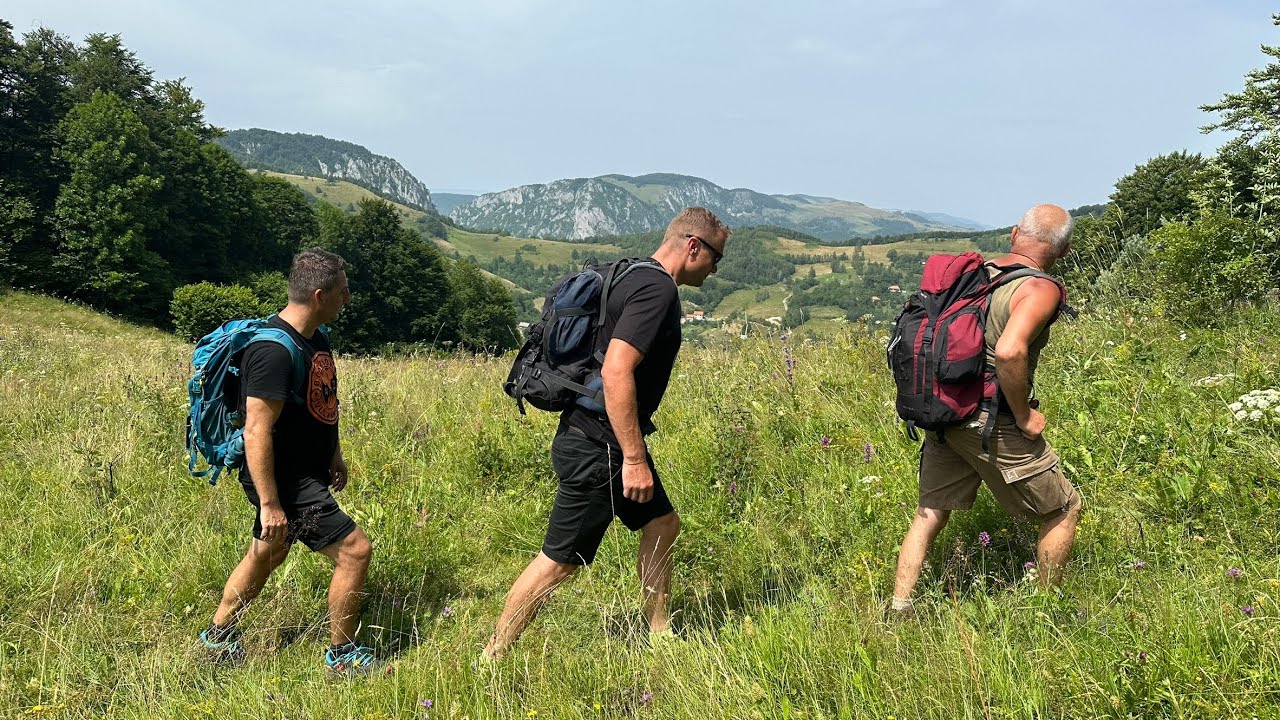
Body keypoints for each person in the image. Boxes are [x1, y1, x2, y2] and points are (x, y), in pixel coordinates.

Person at [482, 207, 732, 660]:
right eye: (716, 257)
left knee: (662, 522)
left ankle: (659, 635)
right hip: (601, 446)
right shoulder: (657, 290)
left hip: (596, 433)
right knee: (559, 562)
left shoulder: (631, 274)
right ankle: (492, 656)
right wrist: (634, 460)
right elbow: (617, 371)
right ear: (693, 246)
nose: (716, 268)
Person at [889, 204, 1082, 615]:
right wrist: (1026, 417)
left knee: (929, 513)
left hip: (943, 412)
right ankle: (1047, 613)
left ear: (1015, 234)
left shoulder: (973, 274)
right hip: (987, 418)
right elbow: (1010, 352)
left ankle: (899, 606)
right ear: (1064, 252)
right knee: (1064, 509)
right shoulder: (1039, 288)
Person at [198, 247, 377, 675]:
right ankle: (343, 656)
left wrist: (333, 451)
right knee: (355, 551)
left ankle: (217, 636)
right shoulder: (273, 353)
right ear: (319, 295)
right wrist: (270, 503)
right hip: (283, 478)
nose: (347, 299)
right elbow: (256, 431)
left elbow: (323, 396)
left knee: (268, 553)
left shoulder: (317, 336)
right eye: (343, 292)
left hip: (307, 468)